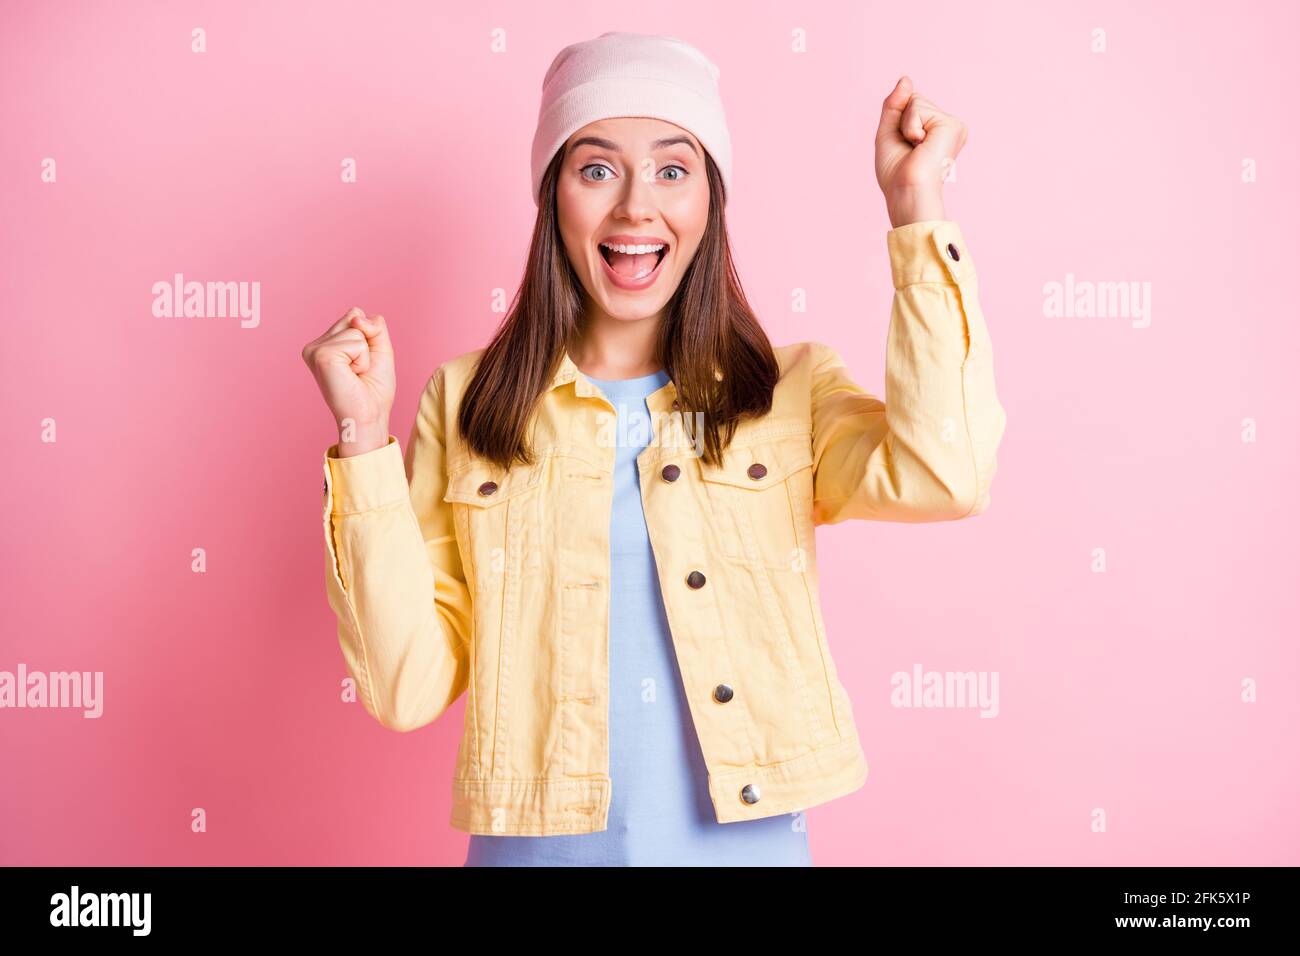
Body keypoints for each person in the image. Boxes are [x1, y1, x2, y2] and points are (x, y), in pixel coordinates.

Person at [301, 31, 1006, 866]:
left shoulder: (789, 391)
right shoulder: (467, 403)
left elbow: (945, 475)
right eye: (596, 168)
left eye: (674, 169)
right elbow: (405, 685)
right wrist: (362, 439)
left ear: (710, 200)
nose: (637, 206)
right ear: (552, 195)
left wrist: (916, 208)